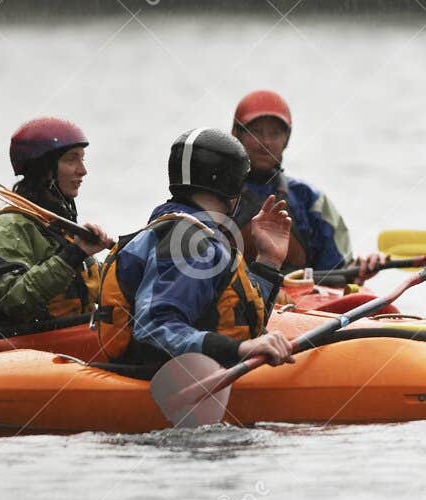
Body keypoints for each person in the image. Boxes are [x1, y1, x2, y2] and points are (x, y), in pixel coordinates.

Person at [93, 128, 294, 368]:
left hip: (189, 374)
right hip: (168, 382)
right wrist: (239, 349)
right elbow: (155, 328)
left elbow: (235, 313)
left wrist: (268, 262)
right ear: (232, 185)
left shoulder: (175, 232)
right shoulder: (190, 244)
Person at [0, 118, 115, 329]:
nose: (83, 170)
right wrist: (73, 255)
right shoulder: (3, 228)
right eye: (72, 159)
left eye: (83, 159)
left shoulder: (57, 228)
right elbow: (14, 300)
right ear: (45, 169)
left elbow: (106, 288)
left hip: (70, 334)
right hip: (15, 341)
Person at [228, 89, 385, 282]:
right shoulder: (216, 195)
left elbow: (338, 275)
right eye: (256, 132)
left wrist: (357, 272)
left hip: (300, 302)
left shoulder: (309, 200)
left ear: (286, 139)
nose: (266, 142)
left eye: (275, 133)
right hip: (232, 298)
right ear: (236, 134)